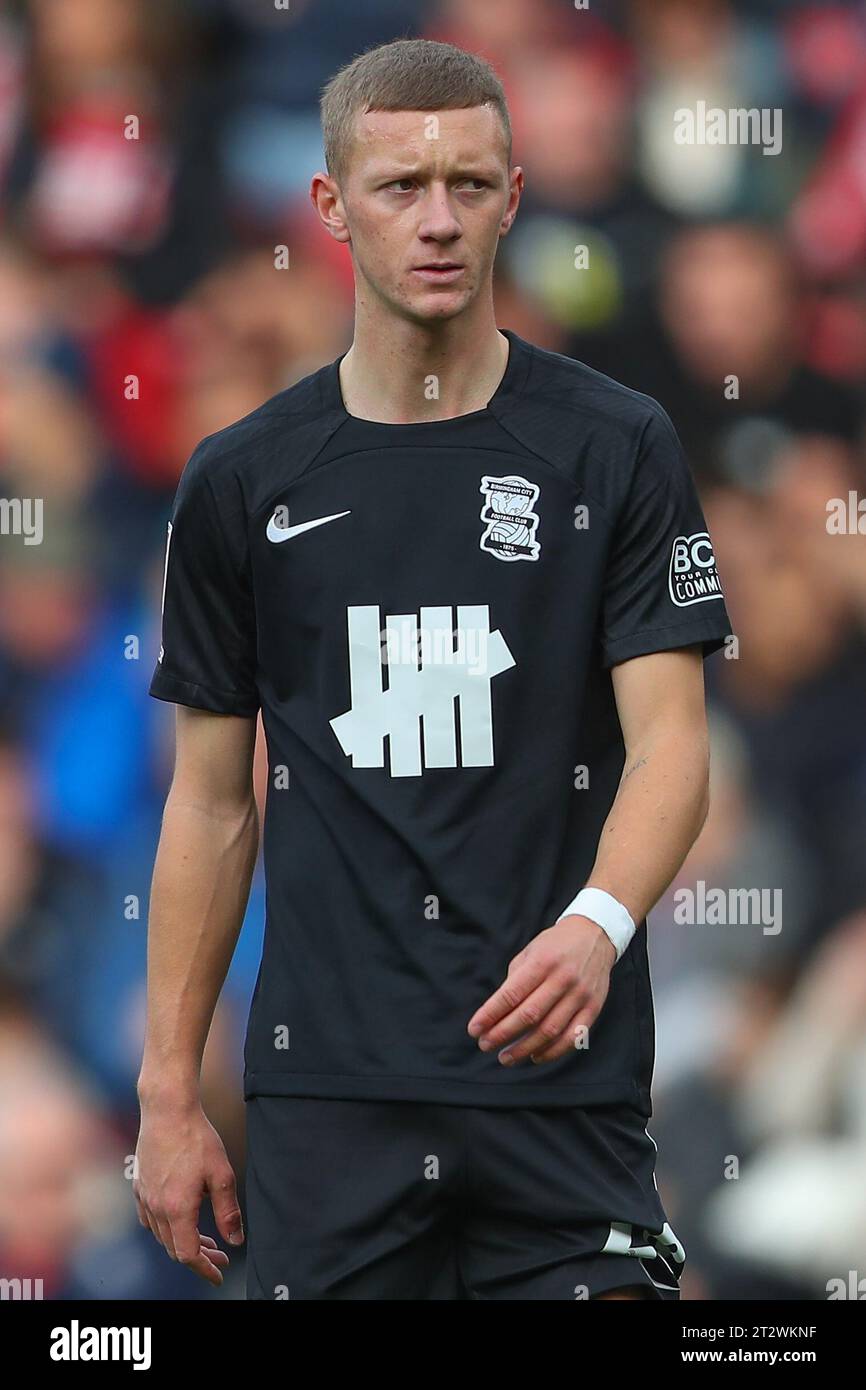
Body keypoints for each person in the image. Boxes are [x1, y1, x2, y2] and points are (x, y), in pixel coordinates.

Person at [135, 38, 732, 1301]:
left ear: (515, 195)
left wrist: (596, 924)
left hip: (557, 1080)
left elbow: (674, 741)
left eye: (470, 183)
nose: (439, 220)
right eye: (400, 187)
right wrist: (168, 1088)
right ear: (330, 206)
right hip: (328, 1095)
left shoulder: (615, 445)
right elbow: (210, 799)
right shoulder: (244, 480)